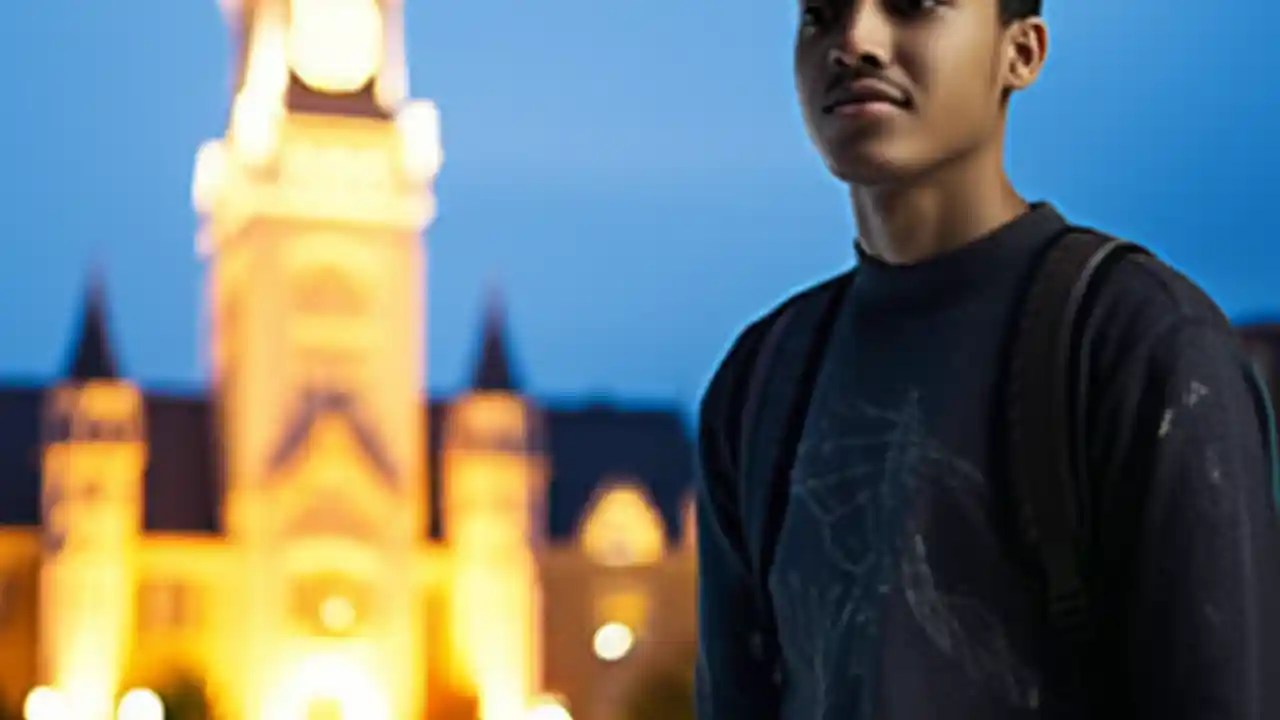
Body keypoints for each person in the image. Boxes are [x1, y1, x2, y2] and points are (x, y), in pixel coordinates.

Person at [693, 1, 1280, 719]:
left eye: (913, 6)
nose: (855, 40)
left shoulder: (1137, 343)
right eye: (821, 13)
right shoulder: (762, 382)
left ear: (1022, 54)